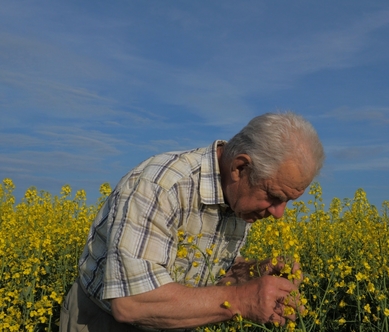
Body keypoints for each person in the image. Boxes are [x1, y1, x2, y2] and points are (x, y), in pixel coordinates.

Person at [60, 112, 325, 331]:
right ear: (240, 168)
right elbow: (131, 302)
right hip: (102, 322)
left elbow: (206, 273)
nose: (279, 214)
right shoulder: (161, 186)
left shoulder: (236, 197)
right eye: (273, 196)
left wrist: (252, 274)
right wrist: (244, 299)